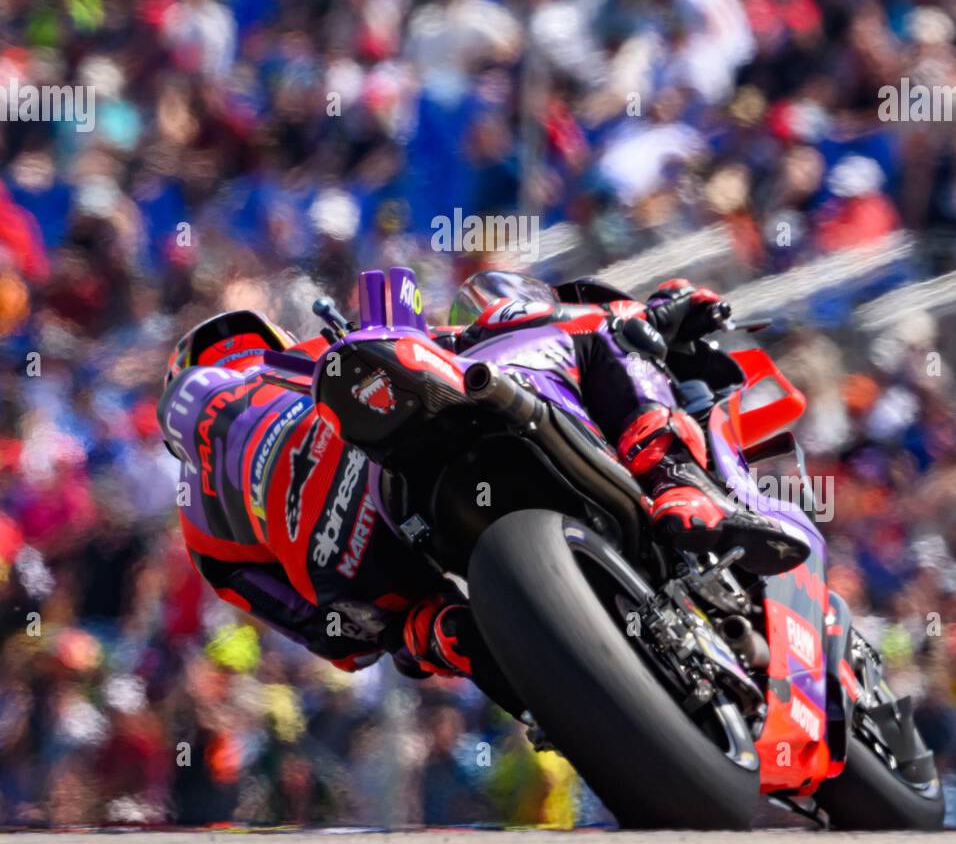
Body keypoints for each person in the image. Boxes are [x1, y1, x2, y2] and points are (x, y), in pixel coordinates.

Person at [158, 272, 810, 693]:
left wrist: (406, 639)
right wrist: (649, 314)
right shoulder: (290, 364)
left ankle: (493, 664)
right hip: (387, 453)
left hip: (348, 570)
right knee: (593, 330)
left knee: (420, 631)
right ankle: (675, 483)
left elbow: (335, 642)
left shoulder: (203, 535)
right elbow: (447, 341)